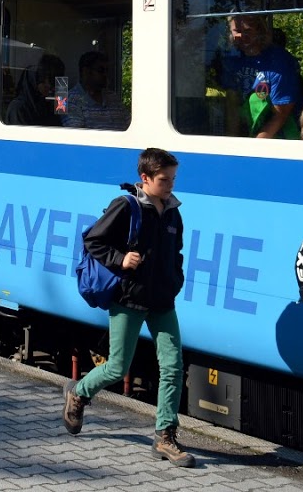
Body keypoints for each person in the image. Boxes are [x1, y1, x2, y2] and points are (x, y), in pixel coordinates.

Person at [61, 147, 193, 467]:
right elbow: (93, 240)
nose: (170, 185)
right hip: (129, 299)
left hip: (162, 301)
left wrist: (175, 280)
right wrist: (120, 259)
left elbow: (176, 253)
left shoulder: (173, 212)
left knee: (173, 366)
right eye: (164, 180)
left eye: (173, 178)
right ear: (145, 178)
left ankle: (165, 436)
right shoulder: (126, 206)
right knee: (118, 366)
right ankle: (79, 393)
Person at [219, 14, 303, 139]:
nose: (243, 37)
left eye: (248, 31)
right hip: (250, 132)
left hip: (281, 137)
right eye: (237, 31)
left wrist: (254, 149)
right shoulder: (232, 60)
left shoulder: (279, 62)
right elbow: (232, 107)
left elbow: (280, 115)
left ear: (260, 31)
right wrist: (232, 144)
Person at [62, 50, 126, 129]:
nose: (106, 75)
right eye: (101, 70)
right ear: (86, 72)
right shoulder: (69, 100)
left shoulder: (113, 97)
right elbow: (76, 137)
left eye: (107, 70)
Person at [6, 54, 65, 127]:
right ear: (39, 79)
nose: (53, 89)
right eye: (52, 82)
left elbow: (59, 124)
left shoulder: (46, 105)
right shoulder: (18, 108)